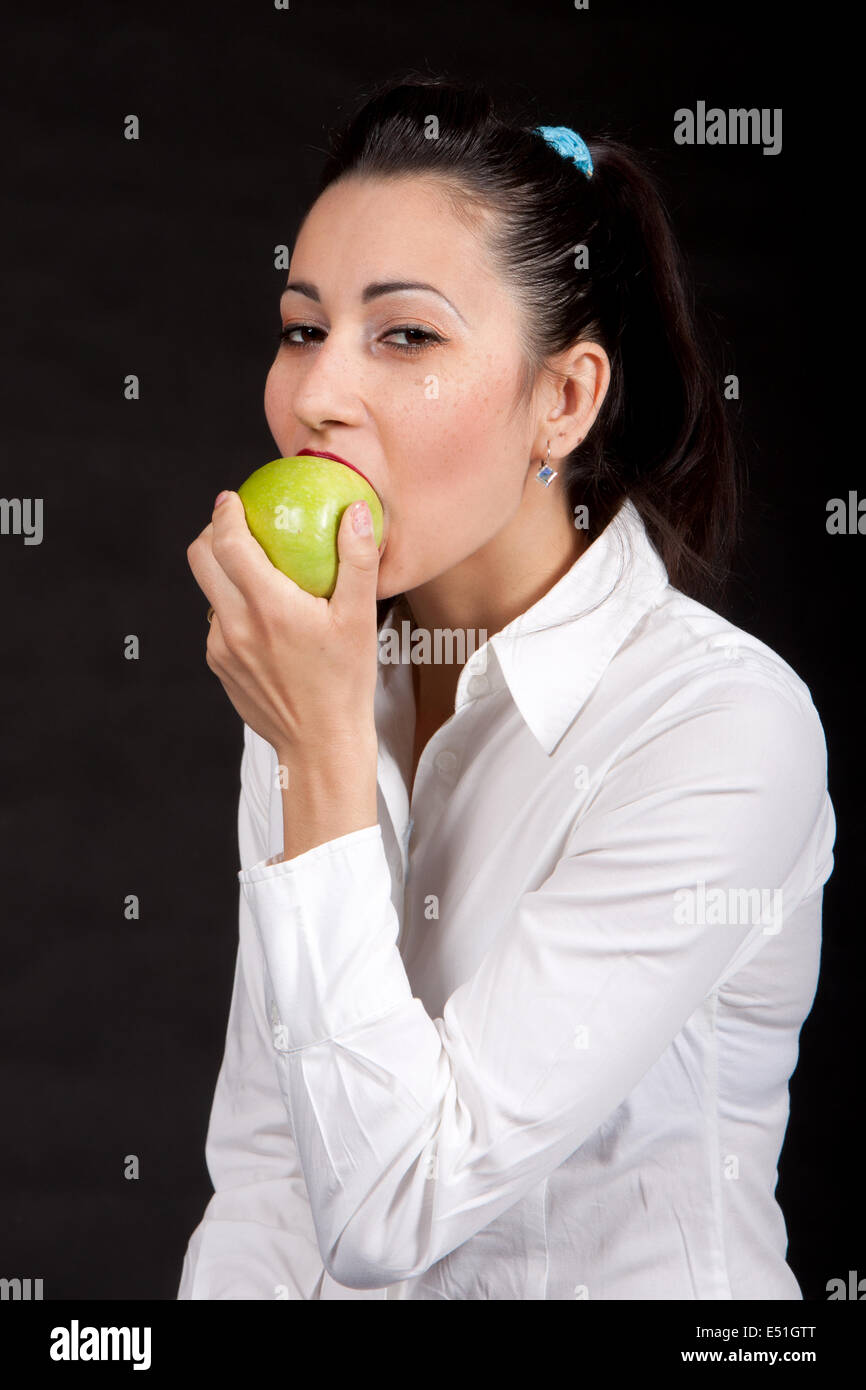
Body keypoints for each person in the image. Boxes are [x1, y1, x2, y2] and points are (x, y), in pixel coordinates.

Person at [179, 73, 835, 1300]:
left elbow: (390, 1206)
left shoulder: (720, 727)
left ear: (564, 401)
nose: (315, 394)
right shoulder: (326, 680)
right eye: (302, 325)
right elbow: (274, 1166)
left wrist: (316, 751)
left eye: (405, 335)